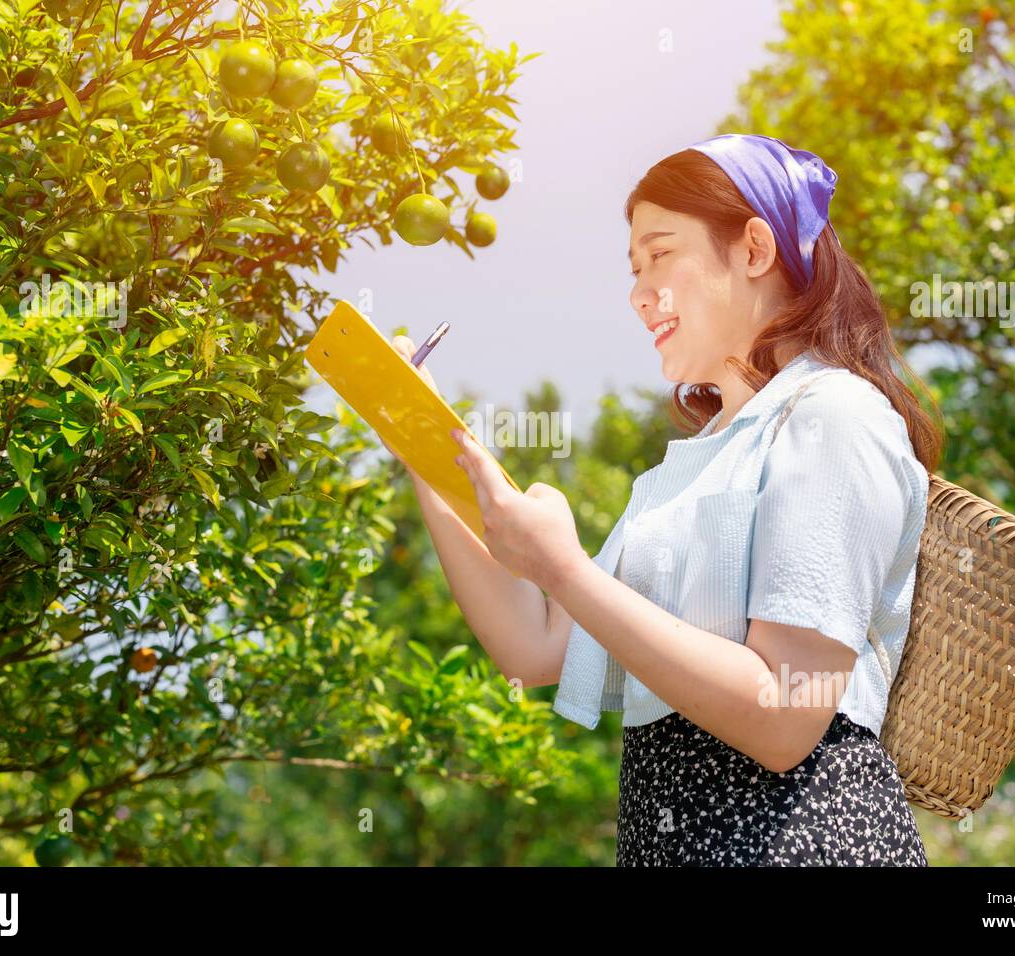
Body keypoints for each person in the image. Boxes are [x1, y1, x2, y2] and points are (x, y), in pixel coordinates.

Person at [388, 133, 943, 866]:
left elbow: (785, 715)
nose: (639, 291)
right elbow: (534, 649)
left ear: (753, 249)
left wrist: (565, 571)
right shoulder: (685, 471)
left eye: (661, 254)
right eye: (634, 268)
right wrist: (419, 437)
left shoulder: (832, 415)